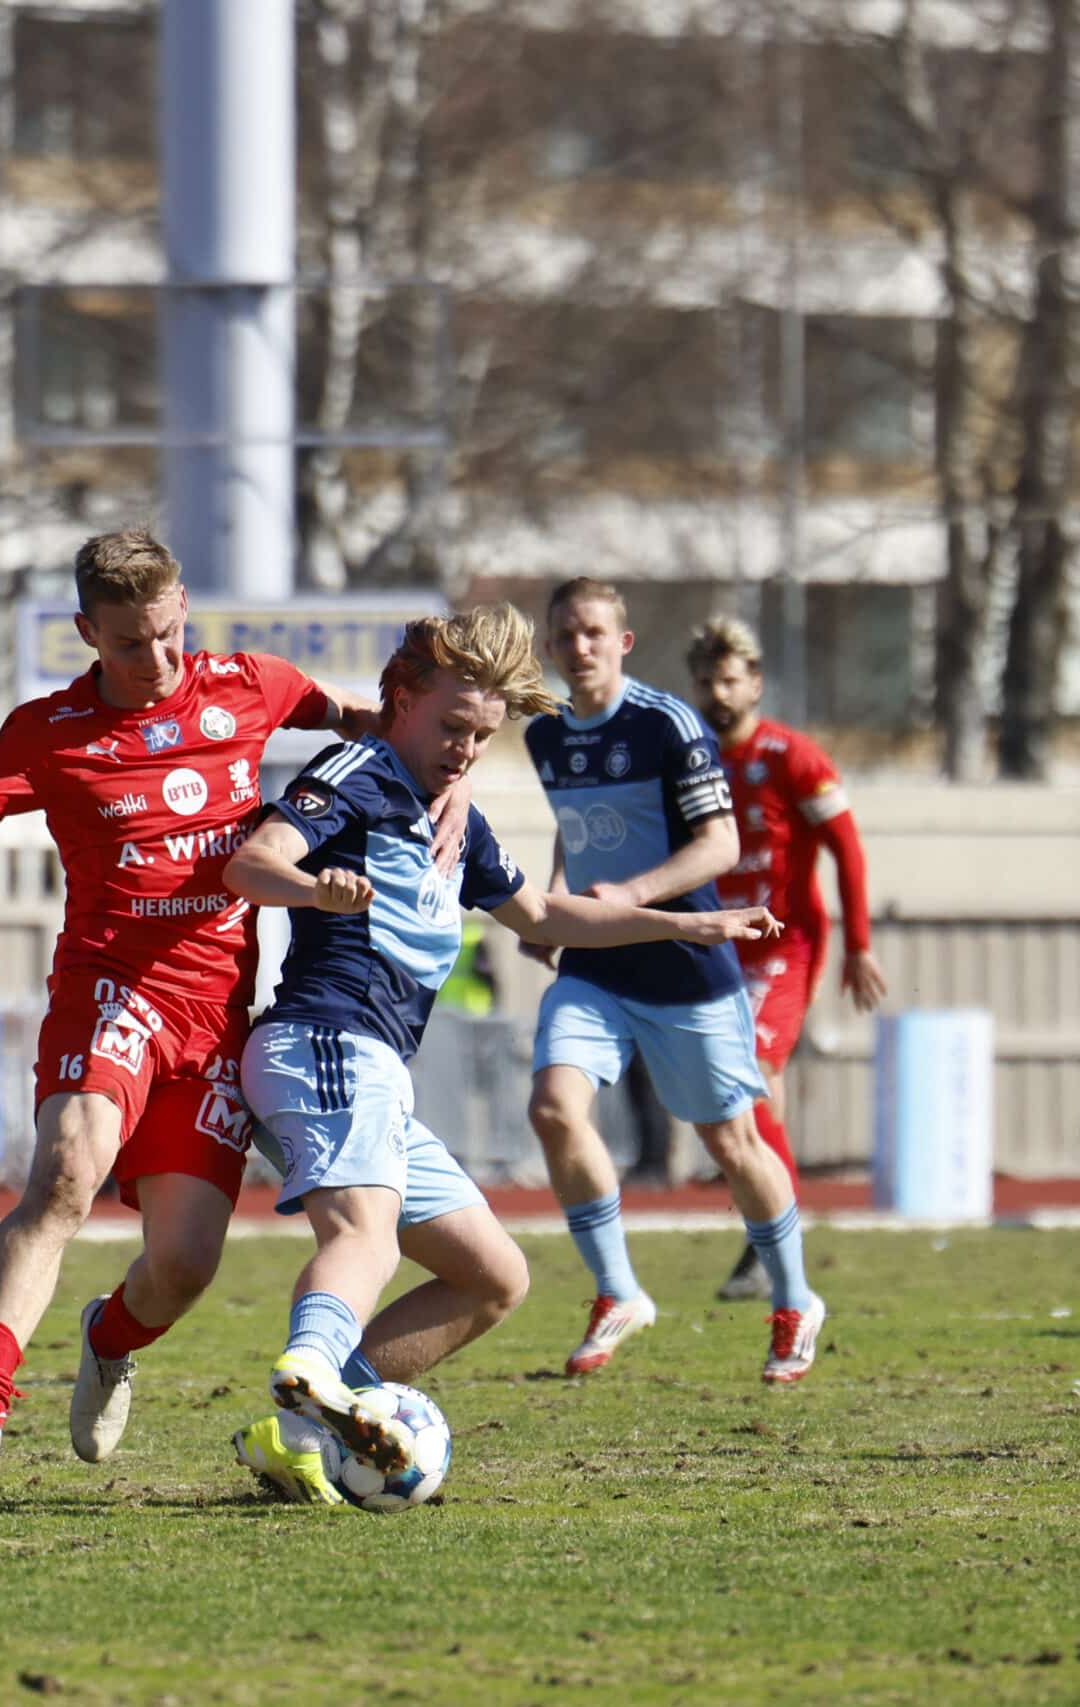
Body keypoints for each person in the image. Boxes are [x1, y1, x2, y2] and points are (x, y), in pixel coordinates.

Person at [0, 526, 452, 1495]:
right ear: (87, 632)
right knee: (64, 1176)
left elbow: (380, 725)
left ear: (182, 607)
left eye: (167, 634)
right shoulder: (49, 730)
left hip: (215, 1011)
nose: (156, 660)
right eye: (130, 643)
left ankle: (109, 1335)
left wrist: (458, 775)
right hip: (110, 988)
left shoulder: (251, 685)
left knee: (182, 1264)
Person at [222, 605, 778, 1501]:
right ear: (398, 700)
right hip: (324, 1041)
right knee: (364, 1235)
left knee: (493, 1276)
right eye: (451, 727)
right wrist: (313, 889)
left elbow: (549, 916)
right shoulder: (358, 770)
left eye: (482, 737)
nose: (465, 751)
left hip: (372, 1073)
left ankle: (300, 1425)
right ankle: (308, 1373)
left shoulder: (456, 820)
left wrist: (692, 920)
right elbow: (250, 864)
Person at [521, 578, 829, 1385]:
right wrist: (558, 906)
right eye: (566, 634)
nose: (579, 646)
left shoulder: (667, 723)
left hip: (685, 966)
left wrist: (629, 894)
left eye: (594, 632)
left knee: (731, 1143)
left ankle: (796, 1298)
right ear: (550, 647)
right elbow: (575, 824)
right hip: (594, 964)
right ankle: (618, 1288)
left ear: (622, 642)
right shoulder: (547, 734)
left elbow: (721, 846)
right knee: (553, 1107)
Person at [688, 616, 888, 1300]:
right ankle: (769, 1220)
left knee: (756, 1068)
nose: (718, 691)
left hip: (784, 941)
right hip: (719, 940)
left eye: (730, 679)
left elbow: (848, 848)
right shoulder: (693, 757)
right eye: (707, 680)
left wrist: (859, 944)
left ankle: (776, 1228)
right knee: (732, 1089)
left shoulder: (792, 755)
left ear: (756, 684)